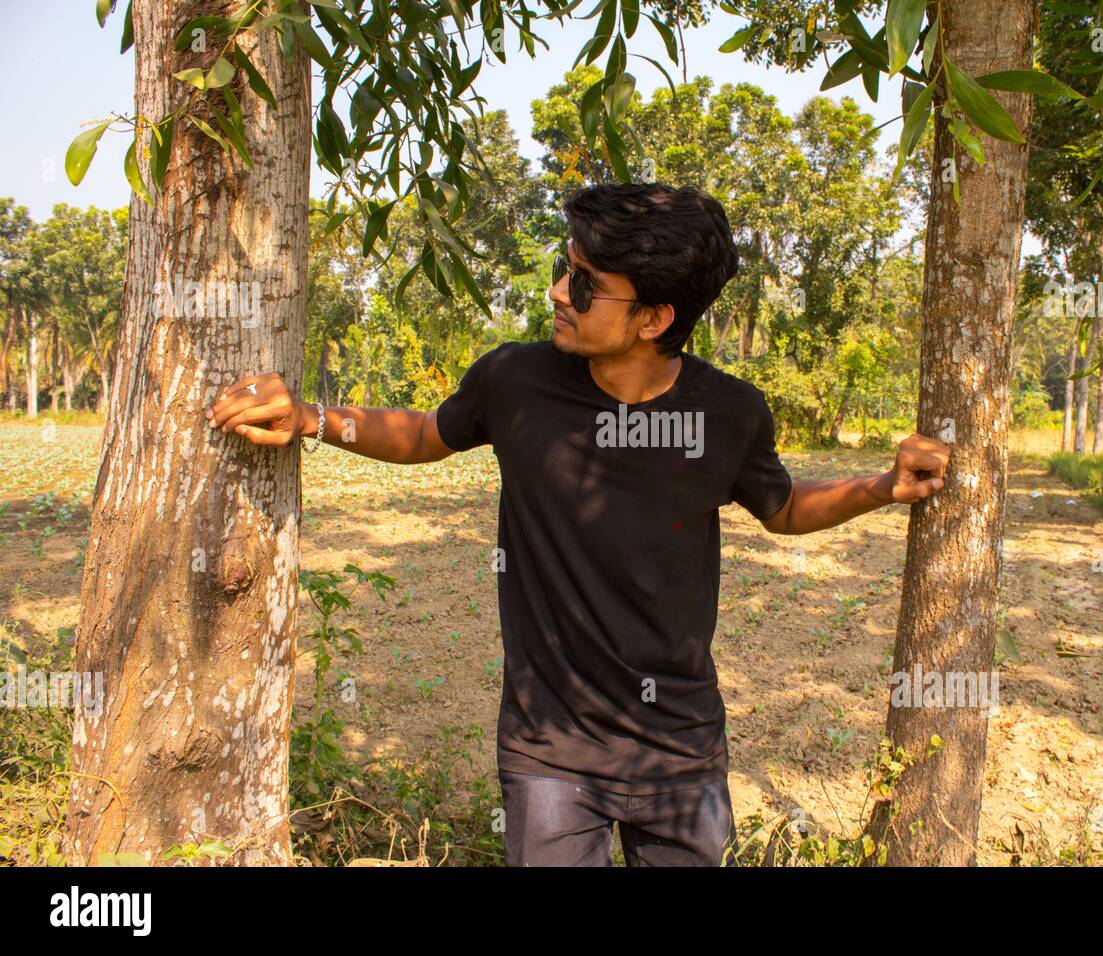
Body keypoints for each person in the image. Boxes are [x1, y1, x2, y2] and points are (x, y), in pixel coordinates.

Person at [206, 182, 951, 866]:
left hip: (680, 750)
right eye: (566, 268)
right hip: (550, 753)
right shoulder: (516, 382)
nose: (559, 291)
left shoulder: (729, 413)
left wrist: (883, 486)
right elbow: (428, 434)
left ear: (656, 318)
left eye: (587, 284)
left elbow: (782, 507)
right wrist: (311, 417)